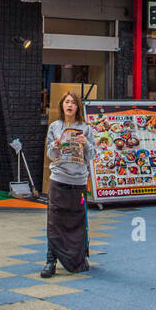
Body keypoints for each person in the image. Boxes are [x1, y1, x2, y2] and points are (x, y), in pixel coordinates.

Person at [40, 91, 96, 278]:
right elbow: (50, 155)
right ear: (62, 105)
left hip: (78, 181)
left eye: (73, 102)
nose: (70, 105)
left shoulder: (86, 128)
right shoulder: (55, 127)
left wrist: (85, 143)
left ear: (78, 107)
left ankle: (78, 258)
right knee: (54, 221)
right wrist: (55, 146)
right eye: (66, 102)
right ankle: (51, 261)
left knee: (77, 221)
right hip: (58, 180)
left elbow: (93, 155)